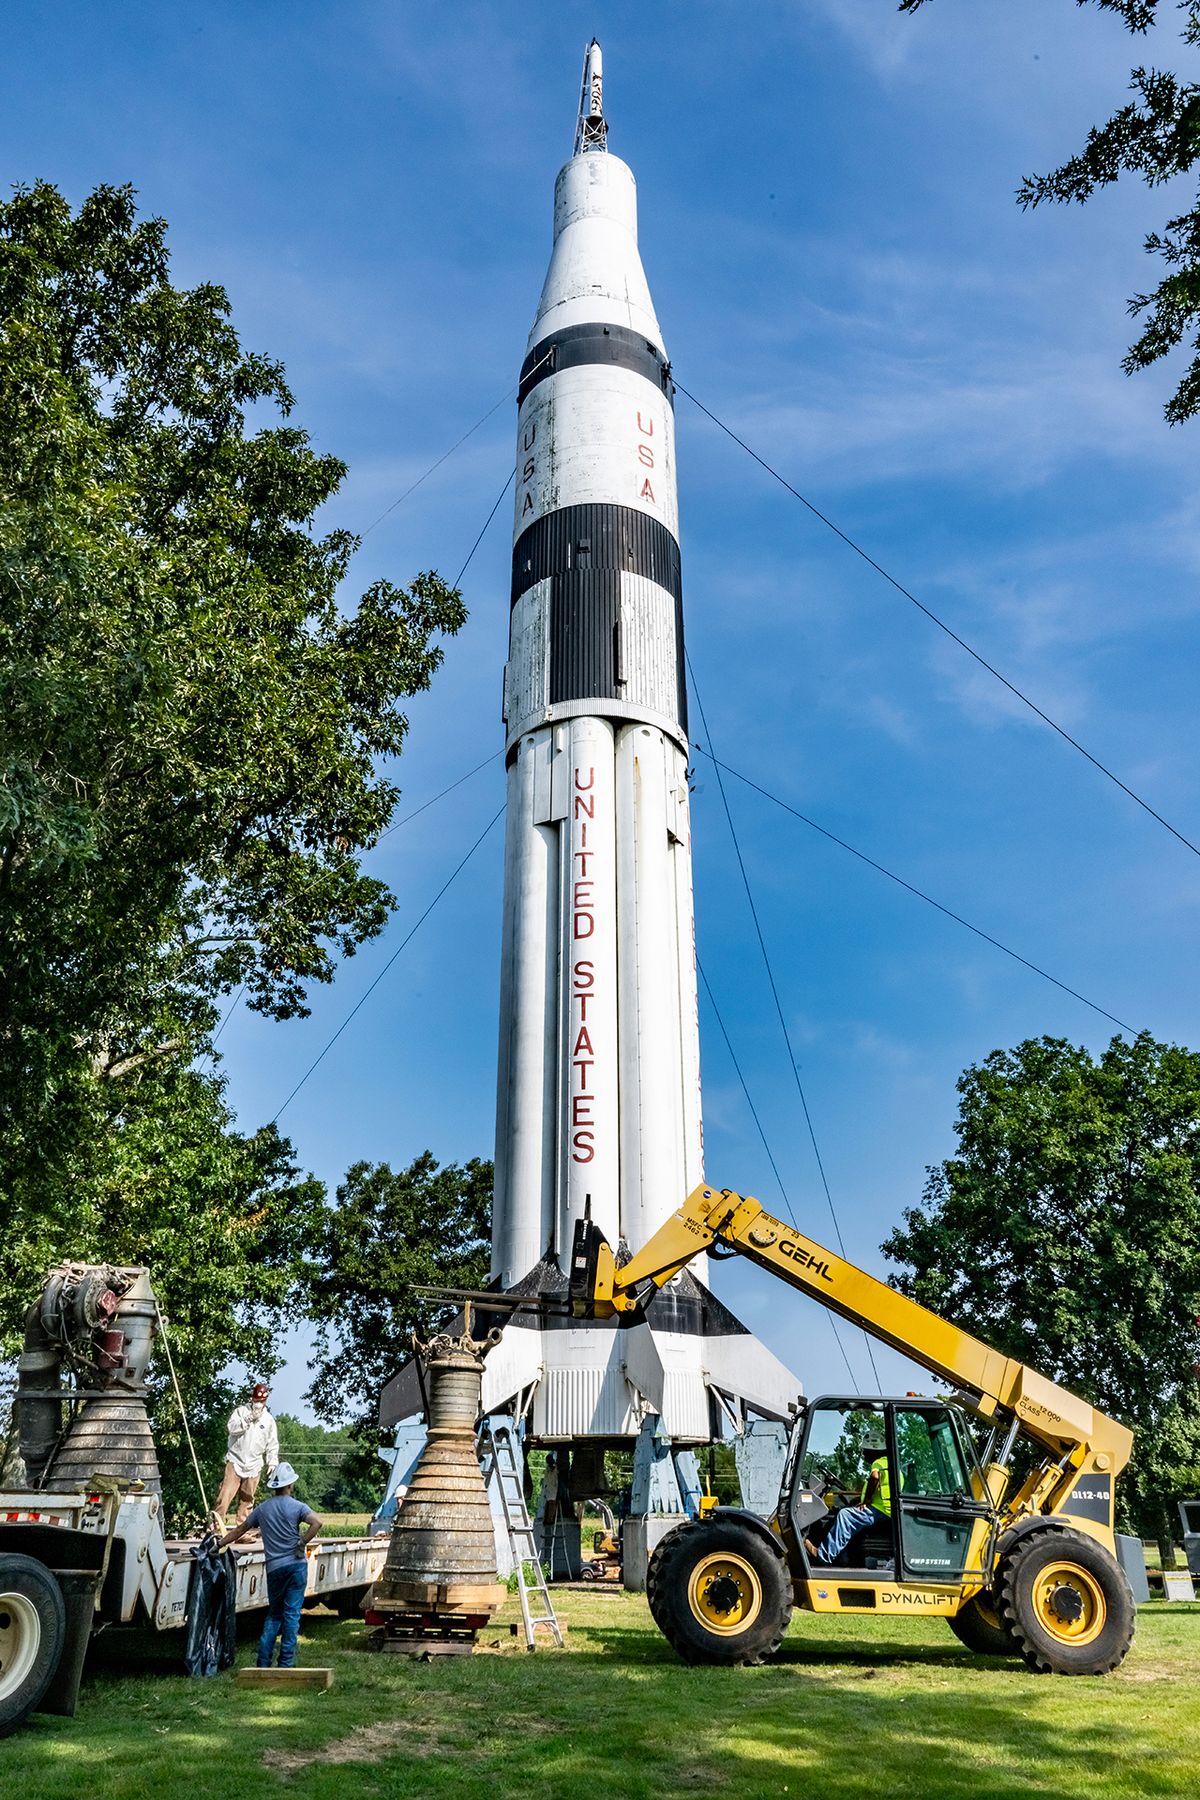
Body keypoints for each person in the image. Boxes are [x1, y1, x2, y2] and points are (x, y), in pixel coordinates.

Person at [217, 1462, 323, 1669]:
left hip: (275, 1568)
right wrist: (302, 1542)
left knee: (274, 1614)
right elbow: (317, 1523)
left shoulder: (262, 1509)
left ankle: (263, 1663)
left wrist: (219, 1544)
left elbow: (240, 1530)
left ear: (274, 1487)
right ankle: (286, 1663)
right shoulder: (298, 1507)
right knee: (291, 1615)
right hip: (296, 1566)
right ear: (290, 1485)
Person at [806, 1443, 891, 1565]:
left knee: (845, 1515)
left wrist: (866, 1501)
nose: (863, 1455)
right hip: (885, 1510)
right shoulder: (891, 1466)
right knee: (842, 1511)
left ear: (874, 1452)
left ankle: (823, 1556)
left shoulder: (879, 1463)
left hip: (880, 1511)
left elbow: (874, 1477)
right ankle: (842, 1560)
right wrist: (859, 1500)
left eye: (866, 1452)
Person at [210, 1382, 279, 1528]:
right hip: (235, 1460)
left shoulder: (269, 1420)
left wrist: (272, 1462)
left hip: (254, 1464)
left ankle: (244, 1531)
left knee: (247, 1500)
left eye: (260, 1401)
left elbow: (272, 1444)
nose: (257, 1404)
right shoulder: (240, 1412)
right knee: (225, 1495)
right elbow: (231, 1428)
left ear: (265, 1401)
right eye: (255, 1401)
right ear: (251, 1399)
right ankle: (216, 1526)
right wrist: (248, 1419)